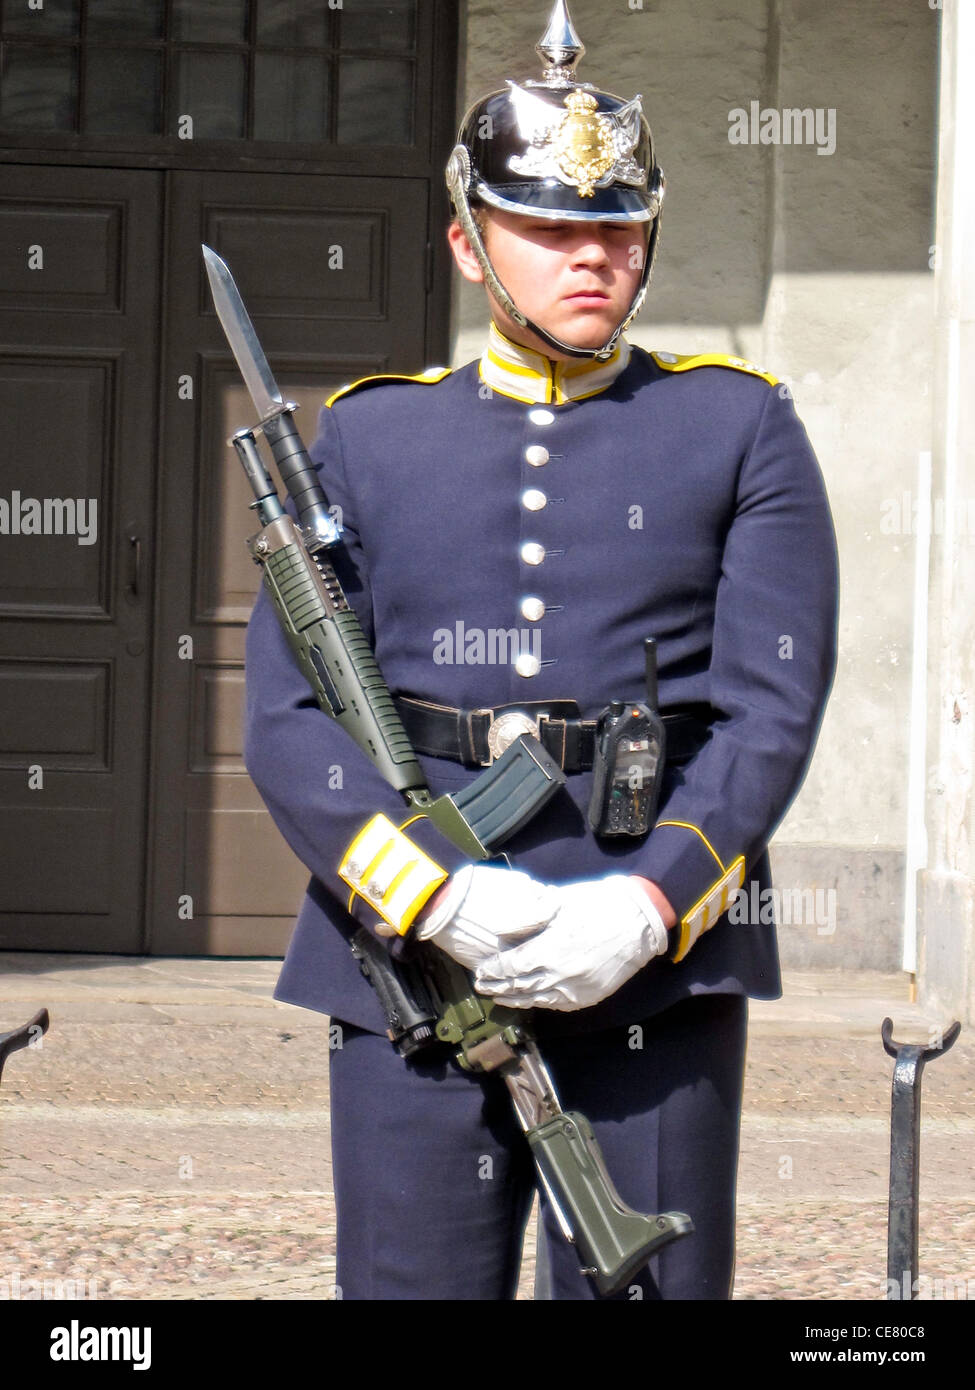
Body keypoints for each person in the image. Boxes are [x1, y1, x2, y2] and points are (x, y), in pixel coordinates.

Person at [244, 0, 838, 1300]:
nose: (592, 257)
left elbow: (768, 709)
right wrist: (432, 894)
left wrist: (648, 901)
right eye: (551, 228)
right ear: (467, 244)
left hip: (651, 972)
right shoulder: (370, 439)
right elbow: (291, 719)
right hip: (411, 965)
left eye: (617, 229)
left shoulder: (738, 429)